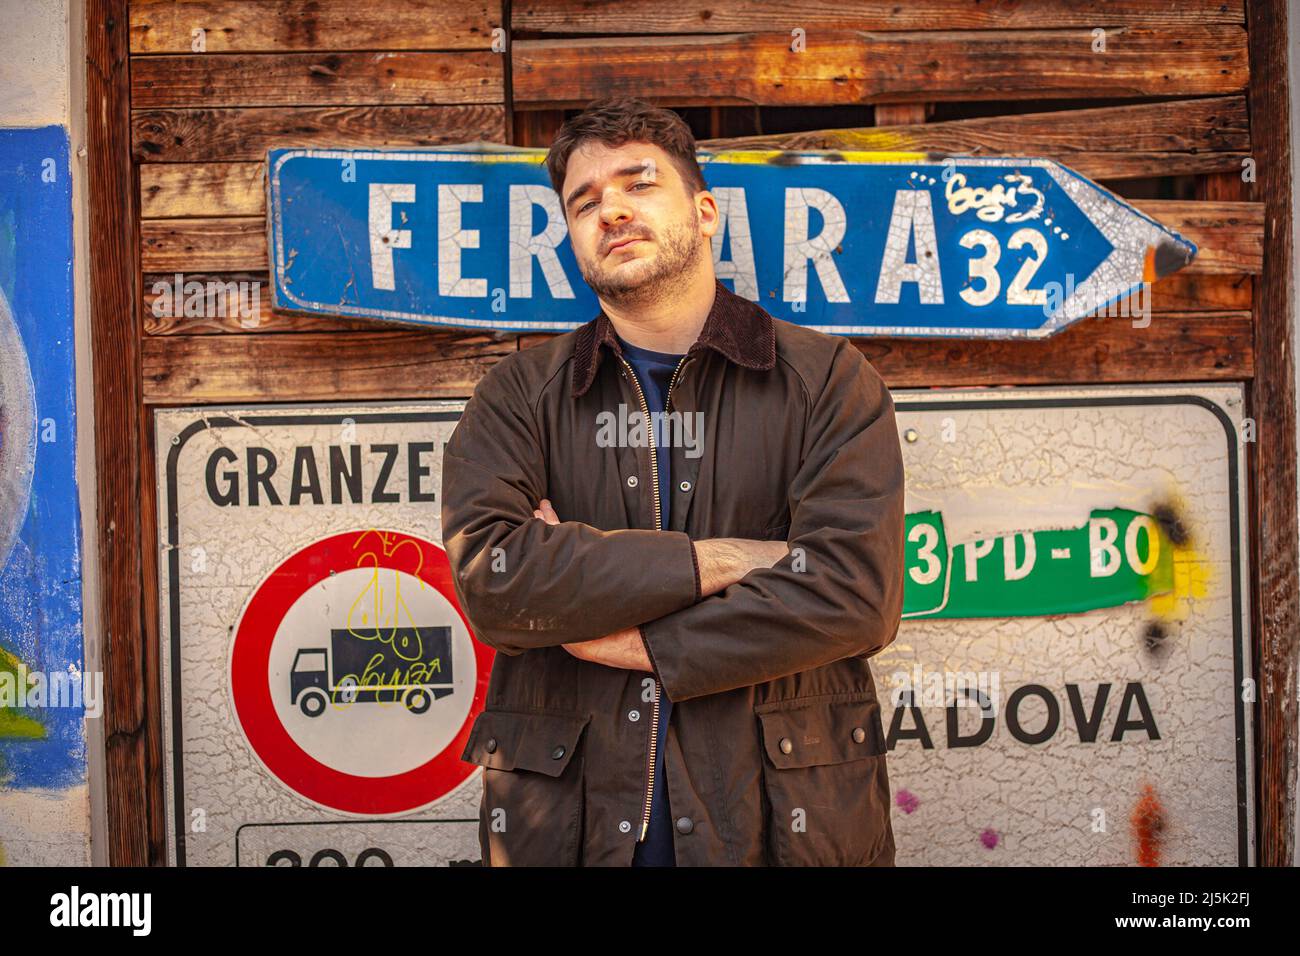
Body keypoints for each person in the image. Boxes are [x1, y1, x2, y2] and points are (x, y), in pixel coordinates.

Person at [441, 95, 906, 866]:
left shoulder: (828, 381)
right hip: (566, 839)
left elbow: (853, 595)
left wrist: (631, 640)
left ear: (706, 210)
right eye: (584, 201)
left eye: (638, 184)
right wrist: (731, 560)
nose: (611, 210)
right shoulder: (518, 395)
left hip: (783, 833)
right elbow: (495, 581)